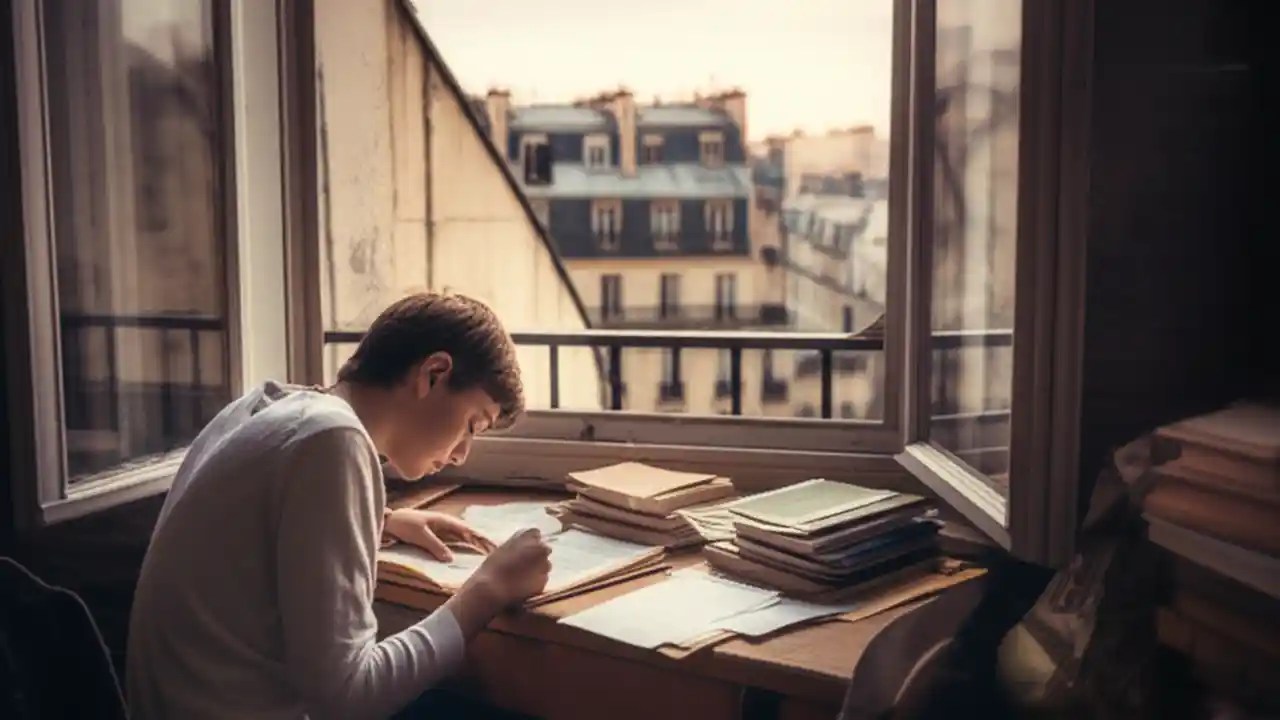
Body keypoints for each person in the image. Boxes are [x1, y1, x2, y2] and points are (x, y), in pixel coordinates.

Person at [127, 293, 552, 719]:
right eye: (472, 424)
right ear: (434, 374)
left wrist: (382, 520)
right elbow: (349, 699)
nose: (462, 454)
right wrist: (487, 589)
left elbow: (256, 533)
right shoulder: (334, 441)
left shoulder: (267, 406)